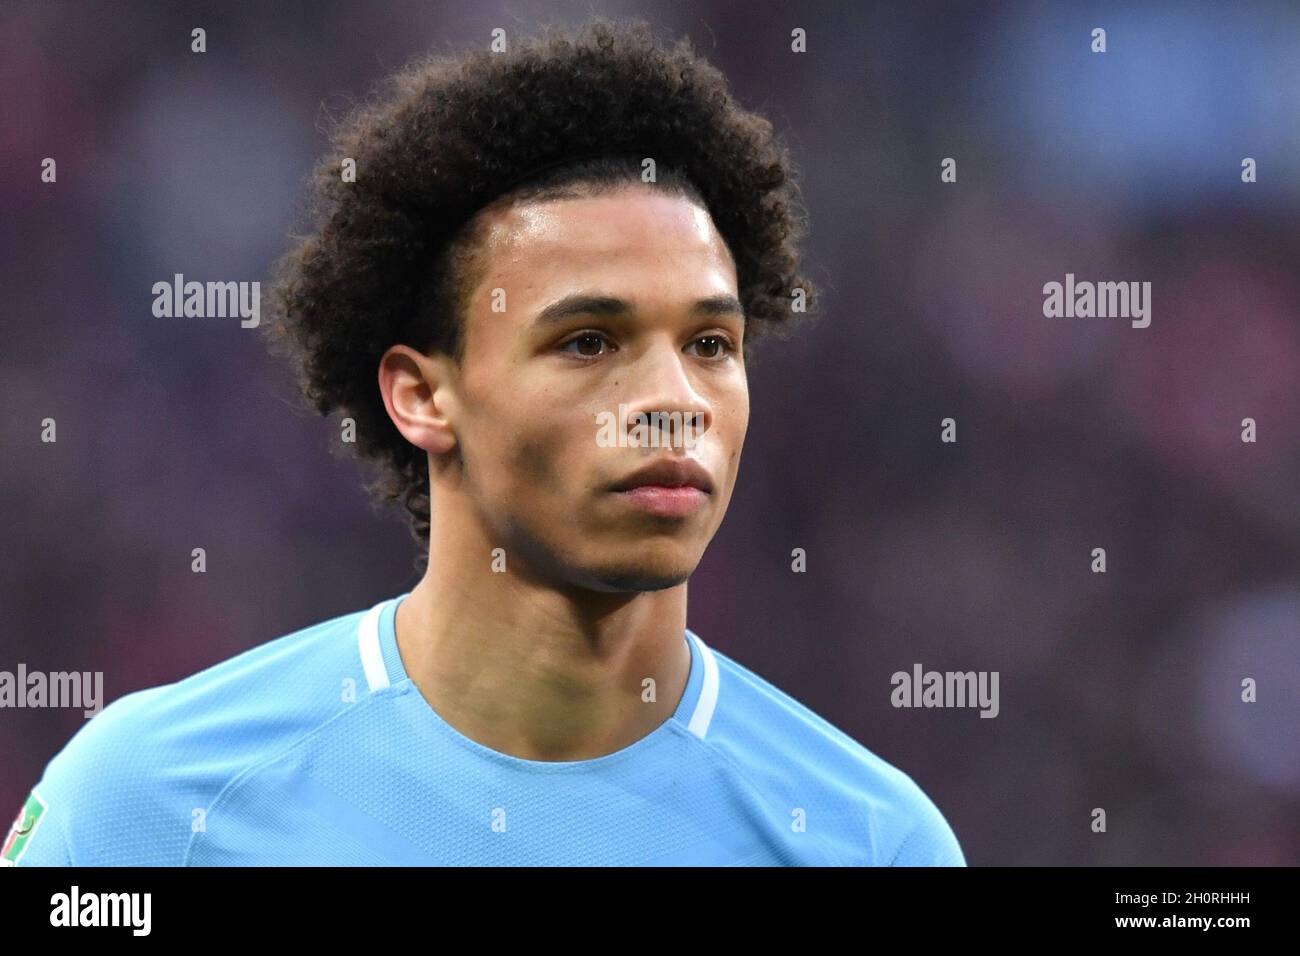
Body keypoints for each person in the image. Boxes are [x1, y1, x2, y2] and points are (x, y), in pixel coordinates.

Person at [7, 17, 965, 866]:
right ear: (423, 396)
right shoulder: (151, 810)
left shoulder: (870, 842)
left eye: (711, 344)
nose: (674, 401)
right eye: (588, 341)